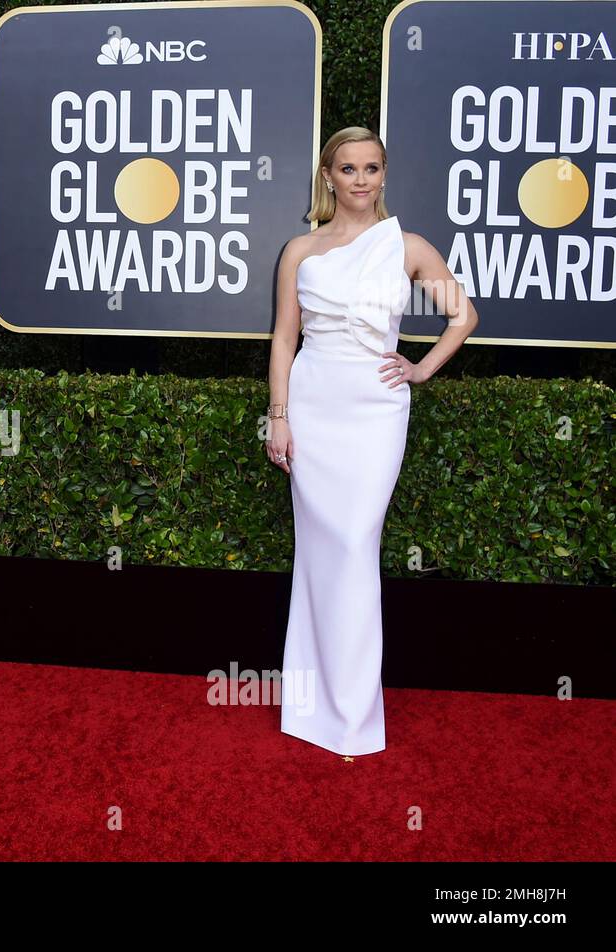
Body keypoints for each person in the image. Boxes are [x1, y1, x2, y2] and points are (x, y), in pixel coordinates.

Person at [266, 127, 477, 754]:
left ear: (384, 174)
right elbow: (283, 338)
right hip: (314, 401)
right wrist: (279, 415)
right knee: (320, 554)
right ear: (328, 177)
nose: (361, 179)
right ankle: (311, 711)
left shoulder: (406, 247)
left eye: (373, 168)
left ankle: (353, 720)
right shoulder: (299, 250)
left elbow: (462, 315)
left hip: (376, 409)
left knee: (356, 545)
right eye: (349, 168)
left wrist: (421, 366)